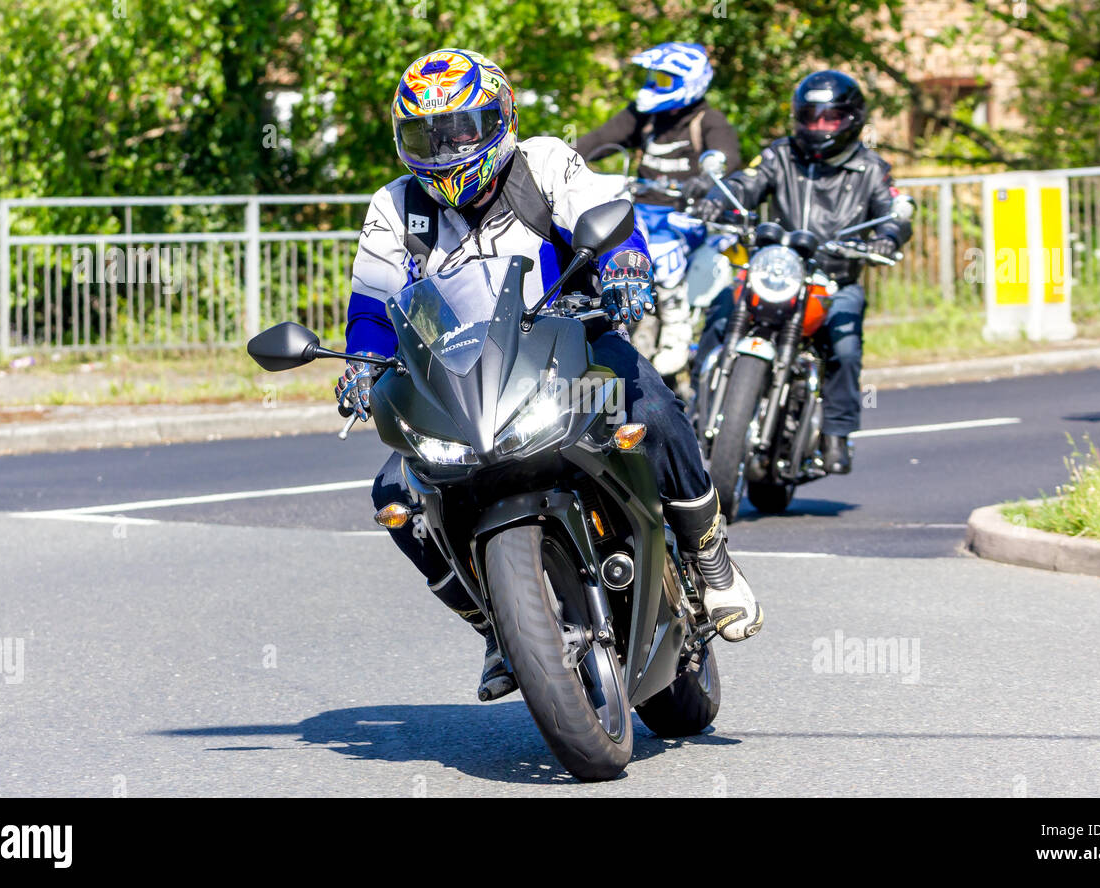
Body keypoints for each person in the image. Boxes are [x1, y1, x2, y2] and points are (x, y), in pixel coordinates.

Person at [337, 48, 763, 702]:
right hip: (461, 380)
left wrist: (625, 265)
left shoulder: (543, 161)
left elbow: (610, 214)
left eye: (461, 128)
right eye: (429, 135)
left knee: (653, 411)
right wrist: (364, 363)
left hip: (572, 340)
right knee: (396, 497)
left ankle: (709, 557)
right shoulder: (396, 208)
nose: (447, 149)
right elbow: (372, 301)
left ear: (500, 115)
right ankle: (494, 625)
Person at [692, 70, 911, 475]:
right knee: (722, 311)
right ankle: (693, 407)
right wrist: (719, 199)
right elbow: (748, 180)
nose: (819, 126)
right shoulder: (780, 154)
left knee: (844, 348)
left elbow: (893, 211)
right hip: (776, 271)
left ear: (851, 120)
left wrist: (889, 235)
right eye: (811, 117)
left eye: (830, 118)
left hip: (832, 279)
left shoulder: (871, 168)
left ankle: (836, 434)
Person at [574, 42, 740, 378]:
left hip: (687, 215)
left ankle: (676, 330)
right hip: (642, 210)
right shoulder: (645, 116)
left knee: (662, 246)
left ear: (690, 82)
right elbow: (599, 138)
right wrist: (562, 158)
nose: (652, 86)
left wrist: (707, 177)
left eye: (663, 80)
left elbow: (727, 158)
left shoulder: (709, 120)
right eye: (653, 77)